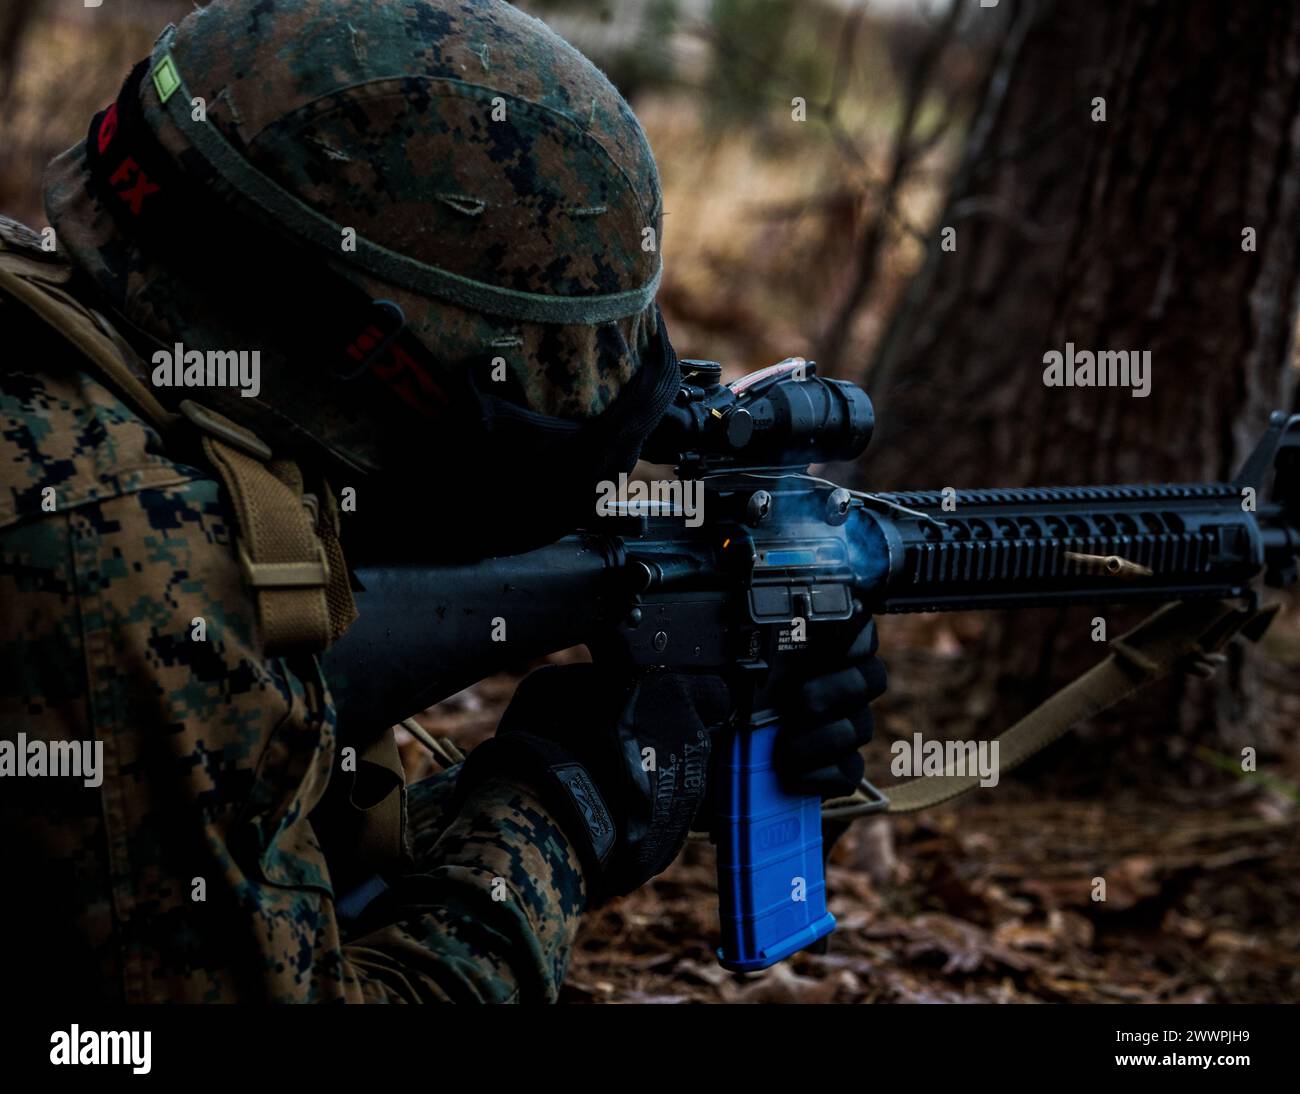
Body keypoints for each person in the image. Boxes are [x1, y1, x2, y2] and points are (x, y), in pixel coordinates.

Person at [0, 0, 886, 1002]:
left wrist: (559, 777)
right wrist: (558, 813)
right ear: (368, 361)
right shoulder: (125, 549)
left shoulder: (66, 393)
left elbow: (168, 893)